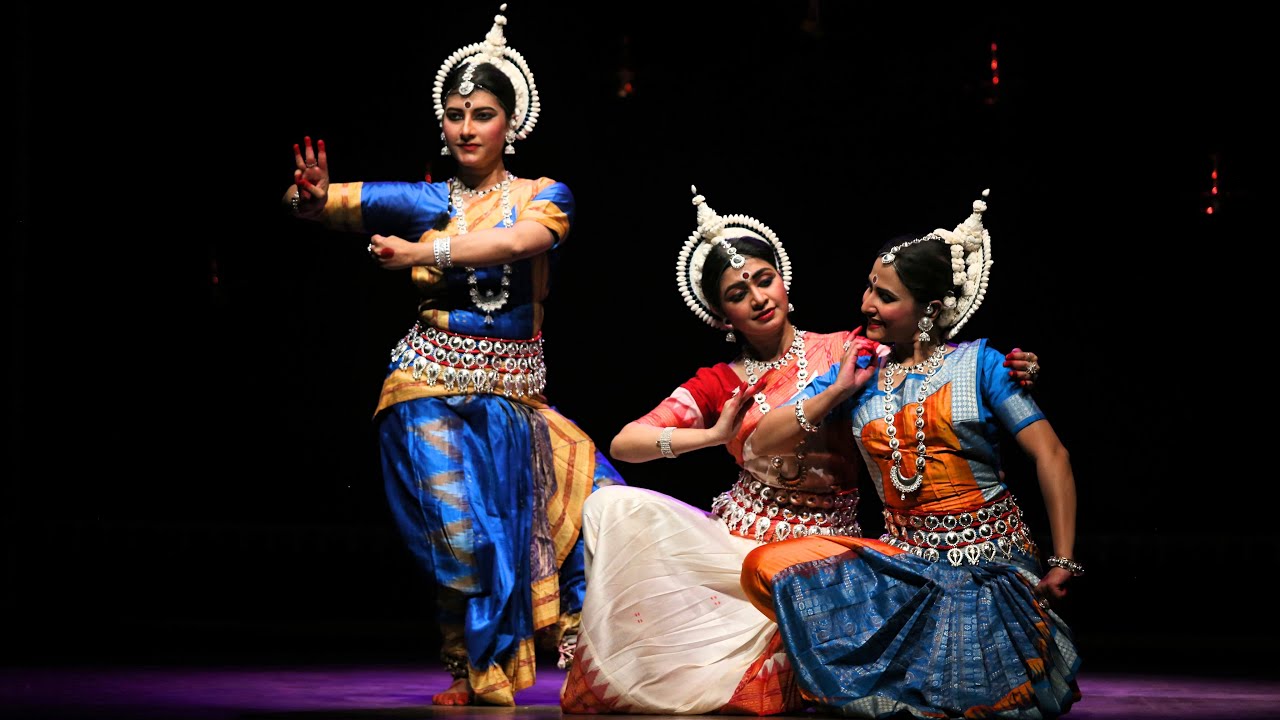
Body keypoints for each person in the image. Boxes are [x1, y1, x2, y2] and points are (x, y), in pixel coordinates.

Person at [559, 188, 1043, 715]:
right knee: (610, 506)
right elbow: (625, 444)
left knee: (766, 659)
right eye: (738, 294)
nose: (758, 297)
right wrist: (713, 436)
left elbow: (923, 347)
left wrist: (1008, 365)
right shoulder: (719, 383)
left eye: (764, 280)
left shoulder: (845, 351)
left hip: (822, 548)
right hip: (735, 543)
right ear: (722, 317)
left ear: (783, 282)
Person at [282, 5, 623, 707]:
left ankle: (556, 665)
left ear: (512, 123)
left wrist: (423, 252)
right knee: (461, 531)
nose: (466, 127)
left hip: (514, 398)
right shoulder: (424, 198)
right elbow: (320, 206)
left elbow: (515, 244)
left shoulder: (545, 196)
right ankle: (470, 670)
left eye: (483, 113)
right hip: (426, 383)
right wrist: (307, 198)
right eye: (455, 113)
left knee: (603, 513)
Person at [742, 189, 1082, 719]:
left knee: (962, 684)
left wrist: (1062, 558)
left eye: (884, 296)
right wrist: (835, 392)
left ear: (930, 309)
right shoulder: (859, 368)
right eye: (869, 288)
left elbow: (1052, 455)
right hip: (904, 562)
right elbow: (758, 440)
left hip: (987, 566)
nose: (866, 304)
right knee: (767, 566)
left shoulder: (983, 365)